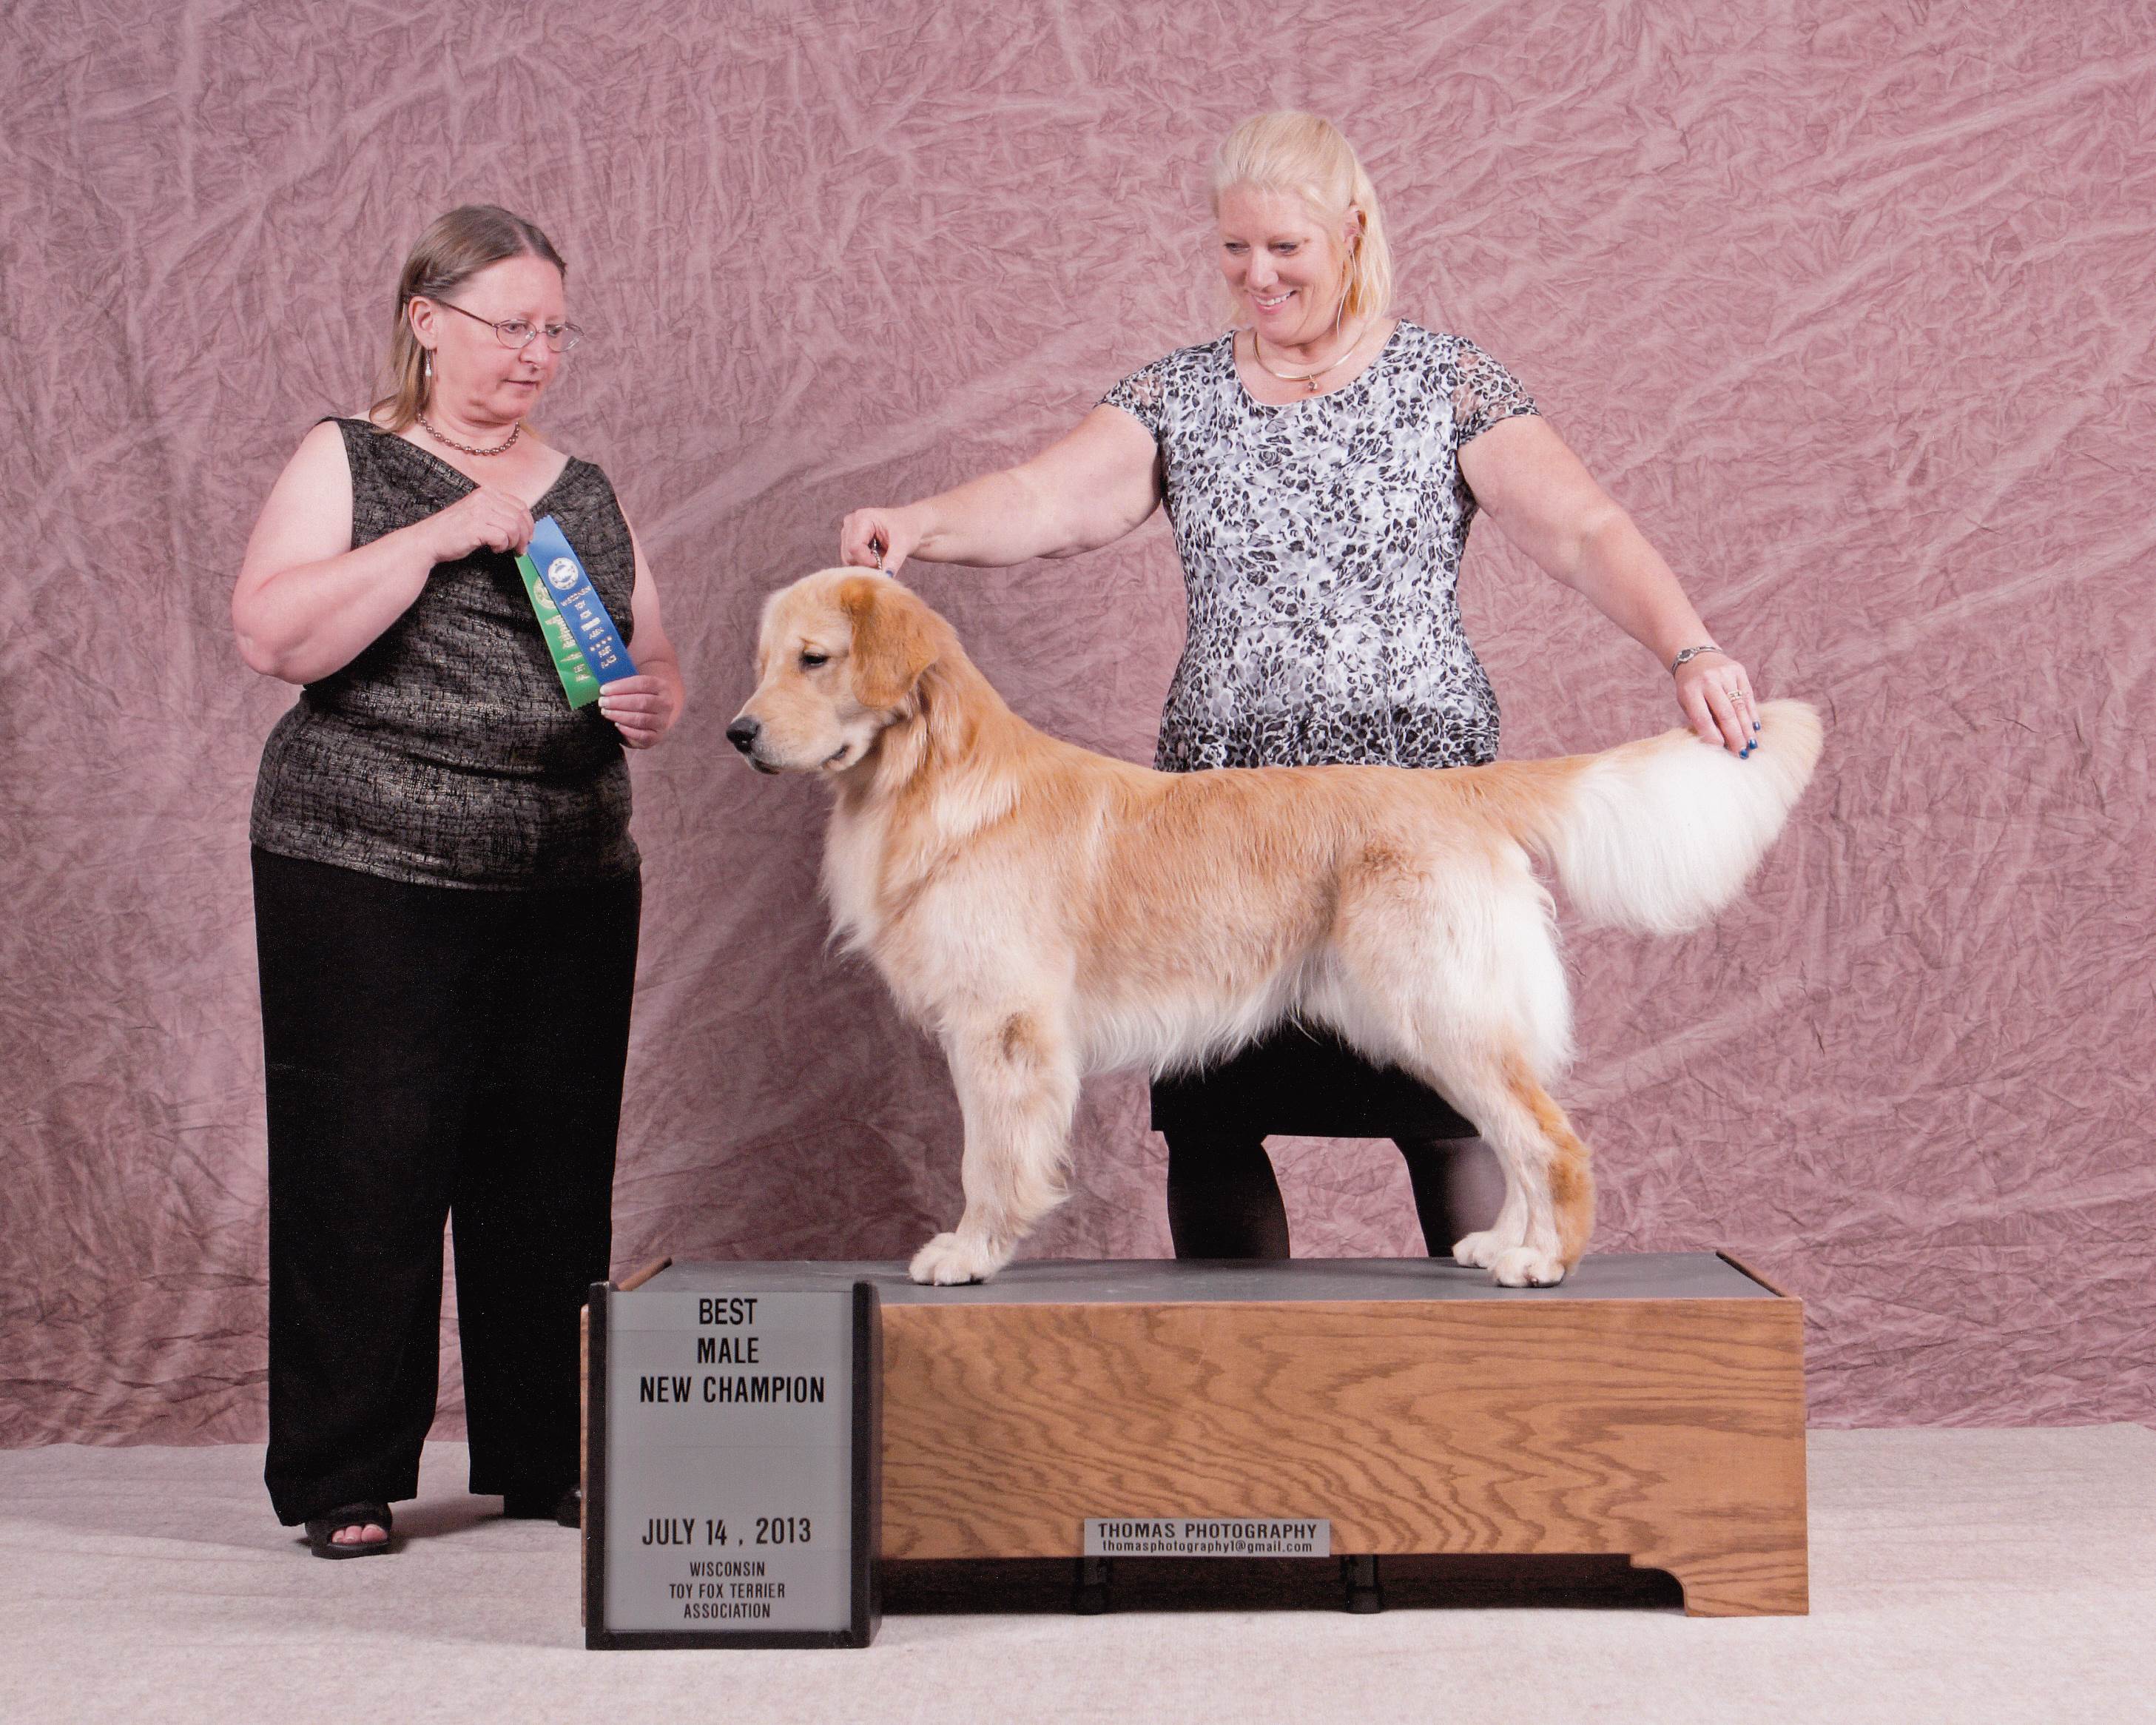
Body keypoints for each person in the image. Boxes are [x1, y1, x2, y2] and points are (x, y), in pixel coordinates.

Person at [838, 112, 1761, 1263]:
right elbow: (1044, 502)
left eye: (1284, 248)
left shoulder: (1446, 380)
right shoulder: (1177, 393)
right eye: (1233, 250)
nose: (1255, 275)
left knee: (1447, 1106)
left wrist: (1689, 650)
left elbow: (1581, 531)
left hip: (1404, 815)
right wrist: (920, 523)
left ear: (1351, 232)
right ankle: (1241, 1407)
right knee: (1216, 1123)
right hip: (1216, 825)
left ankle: (1490, 1385)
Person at [232, 205, 684, 1556]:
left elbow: (648, 654)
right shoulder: (353, 458)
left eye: (555, 330)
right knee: (362, 1168)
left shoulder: (584, 485)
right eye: (510, 327)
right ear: (428, 323)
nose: (536, 355)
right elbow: (272, 633)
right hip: (362, 863)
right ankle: (339, 1475)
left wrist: (655, 700)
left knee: (551, 1172)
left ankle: (547, 1452)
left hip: (570, 872)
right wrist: (434, 538)